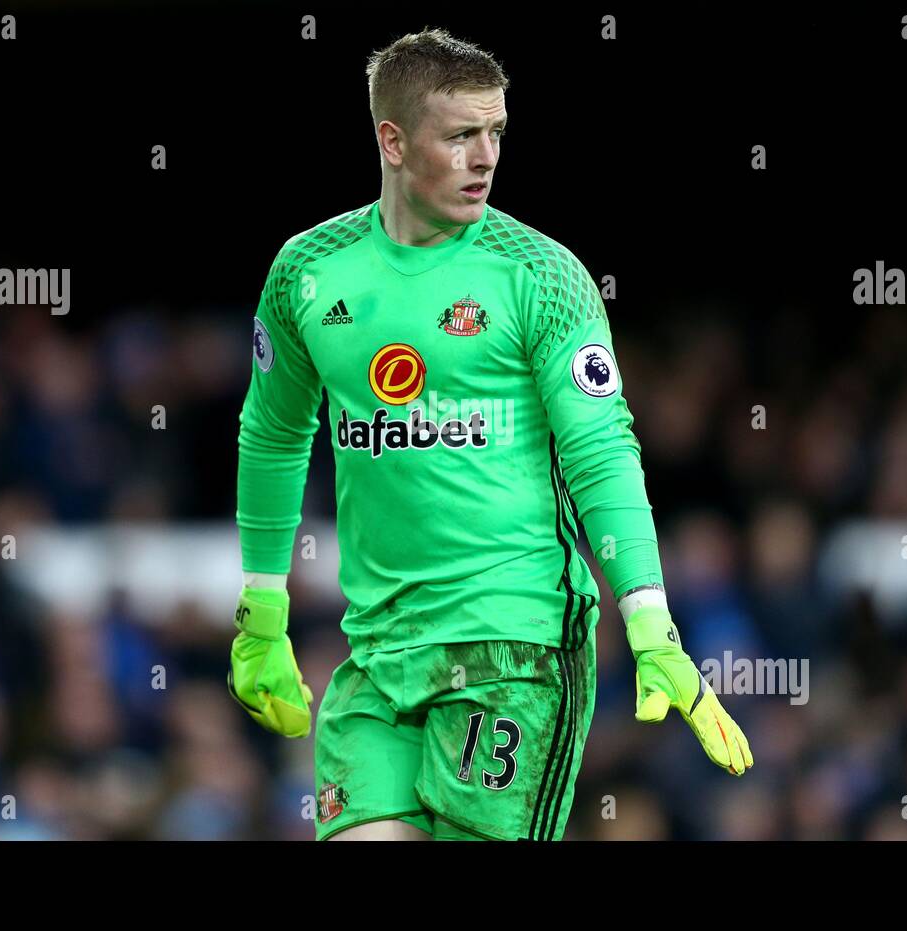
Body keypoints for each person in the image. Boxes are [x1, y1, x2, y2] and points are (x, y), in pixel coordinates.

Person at [229, 27, 751, 842]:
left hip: (516, 651)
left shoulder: (540, 275)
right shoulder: (308, 270)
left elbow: (601, 448)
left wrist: (649, 620)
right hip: (376, 655)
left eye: (497, 133)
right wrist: (263, 612)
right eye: (461, 136)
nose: (486, 157)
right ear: (392, 141)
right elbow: (271, 433)